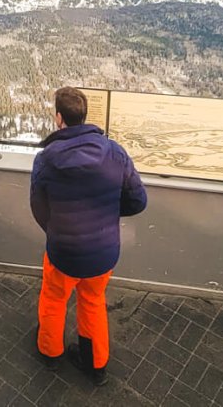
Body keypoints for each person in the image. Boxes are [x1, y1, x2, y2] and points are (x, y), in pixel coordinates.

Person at [31, 86, 147, 386]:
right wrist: (106, 217)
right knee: (93, 300)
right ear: (84, 116)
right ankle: (95, 363)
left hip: (63, 251)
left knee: (55, 299)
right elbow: (138, 201)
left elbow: (38, 207)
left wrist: (56, 230)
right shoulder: (115, 153)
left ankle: (50, 352)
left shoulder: (46, 160)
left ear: (59, 118)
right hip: (104, 251)